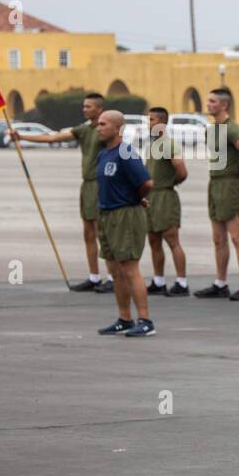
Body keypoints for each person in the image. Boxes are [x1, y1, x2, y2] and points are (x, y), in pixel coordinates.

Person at [13, 93, 113, 292]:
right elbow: (54, 137)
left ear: (99, 109)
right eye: (84, 106)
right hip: (87, 185)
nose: (84, 109)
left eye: (89, 107)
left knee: (104, 233)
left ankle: (113, 277)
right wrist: (22, 137)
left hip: (102, 184)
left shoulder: (107, 132)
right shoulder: (84, 130)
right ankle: (94, 276)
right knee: (88, 232)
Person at [91, 111, 155, 337]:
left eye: (103, 124)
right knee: (115, 270)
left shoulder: (126, 152)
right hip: (107, 214)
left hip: (125, 214)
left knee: (129, 269)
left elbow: (146, 182)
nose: (98, 127)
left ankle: (145, 320)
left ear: (118, 128)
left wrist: (136, 199)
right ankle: (124, 318)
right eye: (98, 124)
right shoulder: (103, 154)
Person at [195, 88, 239, 300]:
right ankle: (220, 282)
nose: (208, 104)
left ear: (224, 105)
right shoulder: (211, 129)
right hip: (215, 184)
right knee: (218, 238)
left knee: (236, 236)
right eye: (208, 100)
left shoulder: (232, 129)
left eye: (213, 101)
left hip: (230, 185)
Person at [143, 107, 189, 296]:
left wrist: (171, 182)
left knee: (172, 240)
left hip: (165, 197)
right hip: (151, 197)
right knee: (153, 240)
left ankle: (181, 282)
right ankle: (158, 280)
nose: (149, 124)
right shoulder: (152, 145)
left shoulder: (169, 145)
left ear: (162, 122)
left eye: (152, 120)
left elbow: (182, 171)